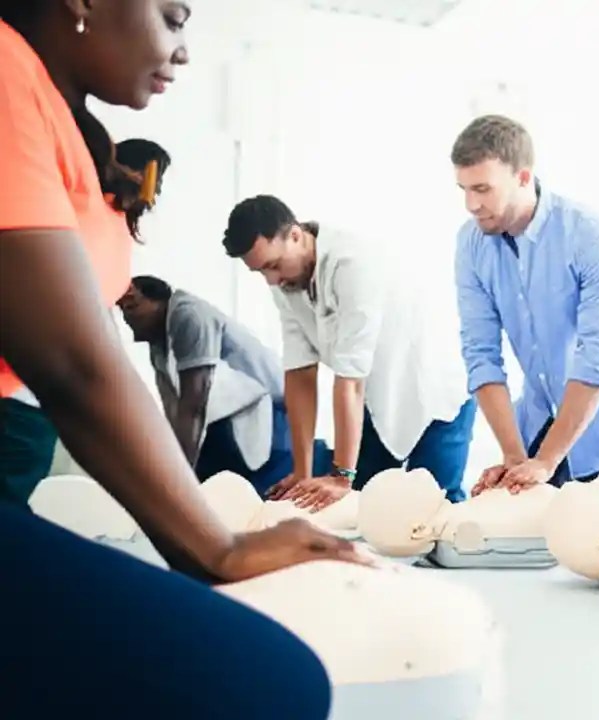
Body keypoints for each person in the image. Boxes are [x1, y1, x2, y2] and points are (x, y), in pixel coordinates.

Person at [0, 3, 361, 717]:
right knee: (265, 682)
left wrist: (322, 479)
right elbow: (75, 363)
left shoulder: (52, 116)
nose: (183, 50)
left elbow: (109, 370)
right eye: (171, 16)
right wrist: (214, 546)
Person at [451, 114, 599, 495]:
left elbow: (598, 357)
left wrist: (547, 462)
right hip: (543, 405)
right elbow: (481, 355)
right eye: (464, 189)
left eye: (483, 189)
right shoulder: (471, 244)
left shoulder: (590, 234)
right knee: (522, 506)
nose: (471, 204)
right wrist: (515, 459)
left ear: (522, 177)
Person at [222, 195, 477, 506]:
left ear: (296, 236)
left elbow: (350, 379)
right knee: (364, 511)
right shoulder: (285, 282)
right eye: (261, 271)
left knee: (435, 511)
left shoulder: (353, 262)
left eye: (274, 265)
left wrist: (343, 476)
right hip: (376, 400)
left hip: (436, 392)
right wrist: (302, 473)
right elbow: (300, 373)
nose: (271, 279)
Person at [118, 275, 294, 495]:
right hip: (225, 423)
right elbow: (175, 412)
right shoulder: (158, 344)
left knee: (253, 505)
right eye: (122, 310)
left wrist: (178, 479)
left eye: (130, 307)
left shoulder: (188, 314)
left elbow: (194, 404)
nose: (126, 318)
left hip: (269, 416)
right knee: (208, 498)